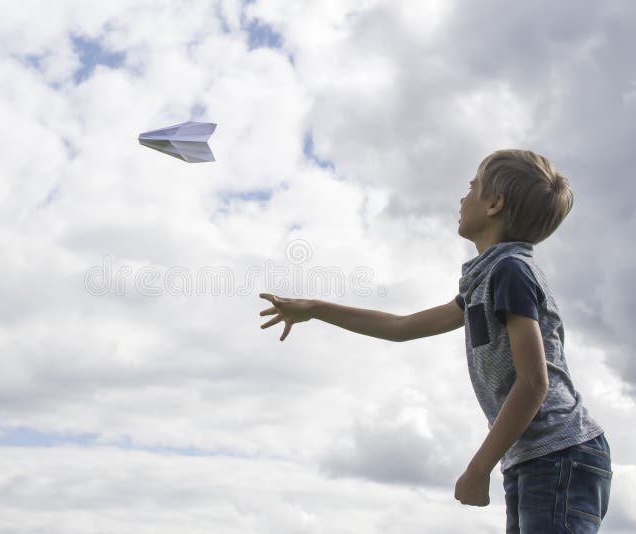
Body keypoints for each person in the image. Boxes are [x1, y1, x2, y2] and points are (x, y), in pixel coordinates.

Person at [258, 149, 612, 533]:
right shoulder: (487, 278)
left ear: (495, 204)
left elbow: (533, 383)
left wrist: (478, 468)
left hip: (561, 454)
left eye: (473, 187)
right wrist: (315, 308)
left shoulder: (511, 271)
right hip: (537, 456)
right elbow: (401, 327)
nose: (463, 197)